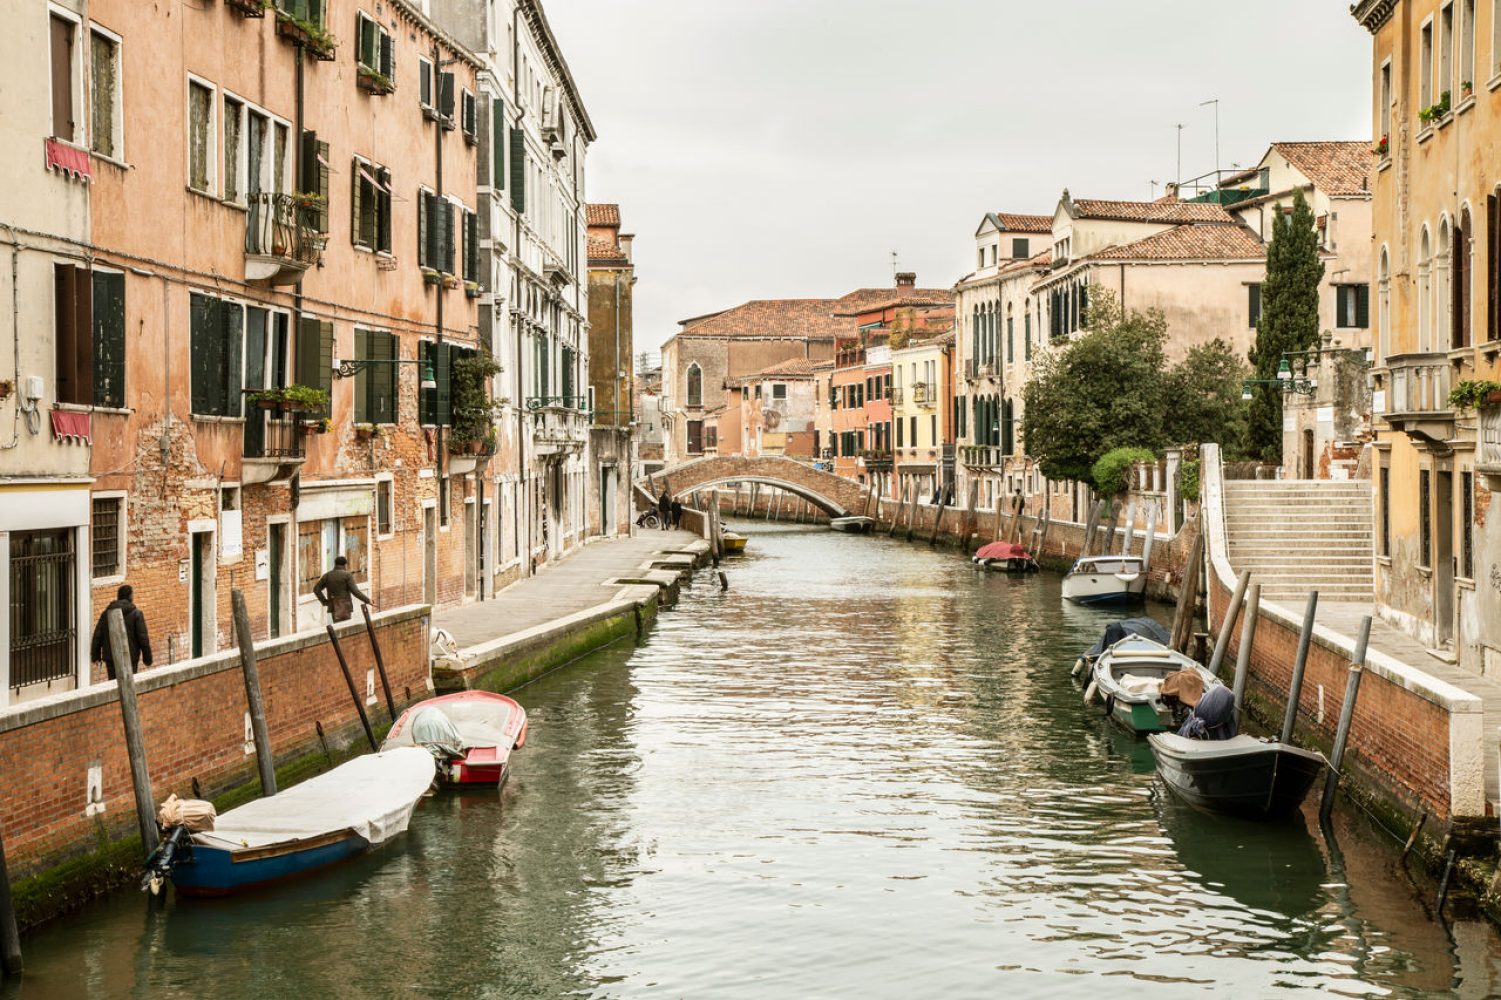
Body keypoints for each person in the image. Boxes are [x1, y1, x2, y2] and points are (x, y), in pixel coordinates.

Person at [90, 584, 153, 679]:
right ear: (131, 597)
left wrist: (95, 655)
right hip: (130, 658)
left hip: (111, 657)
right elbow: (143, 638)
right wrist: (147, 658)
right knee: (130, 684)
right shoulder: (136, 614)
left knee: (113, 684)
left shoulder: (106, 613)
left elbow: (98, 635)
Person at [313, 555, 374, 623]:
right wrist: (368, 600)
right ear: (345, 565)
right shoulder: (347, 575)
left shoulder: (327, 575)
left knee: (337, 626)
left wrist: (324, 601)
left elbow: (316, 589)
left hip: (333, 605)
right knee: (345, 627)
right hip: (345, 606)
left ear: (335, 564)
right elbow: (355, 591)